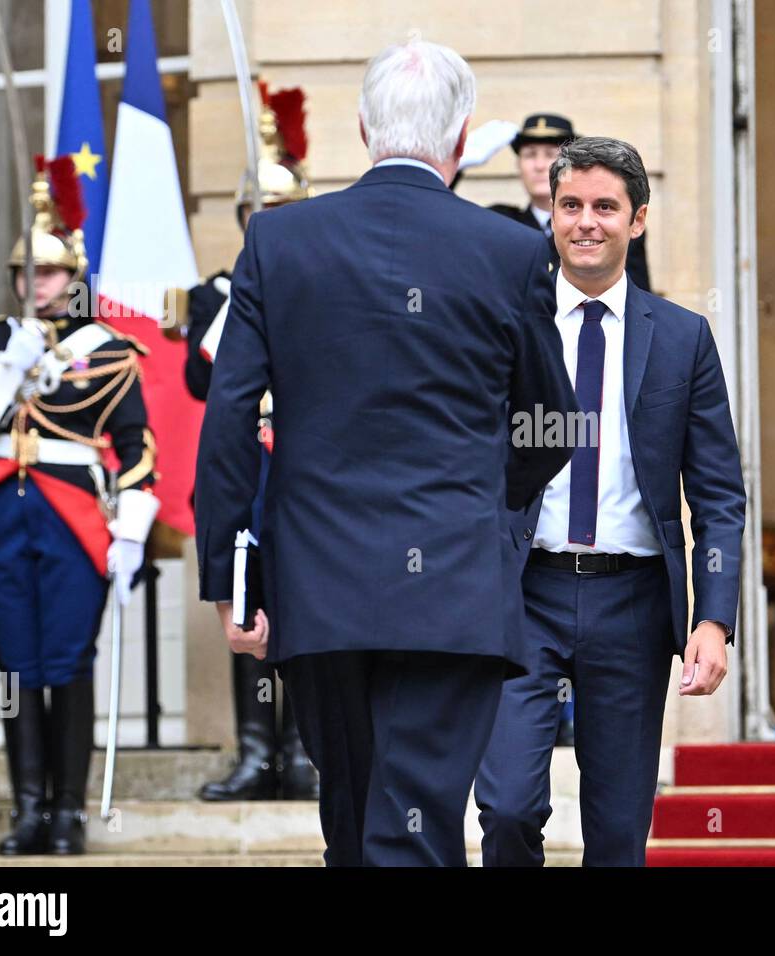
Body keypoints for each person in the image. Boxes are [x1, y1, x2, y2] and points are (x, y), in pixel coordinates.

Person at [193, 39, 578, 866]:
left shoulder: (278, 241)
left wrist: (230, 577)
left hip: (321, 585)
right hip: (453, 585)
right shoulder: (513, 251)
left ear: (365, 129)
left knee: (355, 823)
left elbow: (228, 417)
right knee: (412, 826)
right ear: (460, 133)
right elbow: (551, 421)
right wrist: (487, 501)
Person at [475, 136, 747, 866]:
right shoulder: (507, 329)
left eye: (604, 206)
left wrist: (714, 619)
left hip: (632, 600)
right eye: (570, 205)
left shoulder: (683, 339)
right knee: (504, 807)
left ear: (638, 220)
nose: (585, 221)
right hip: (520, 593)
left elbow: (719, 491)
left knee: (619, 831)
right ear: (552, 217)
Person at [0, 155, 159, 855]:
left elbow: (138, 447)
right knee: (14, 661)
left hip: (72, 515)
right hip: (2, 509)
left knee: (67, 660)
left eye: (51, 273)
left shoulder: (109, 351)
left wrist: (131, 525)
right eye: (26, 274)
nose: (38, 283)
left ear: (74, 278)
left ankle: (67, 811)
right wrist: (8, 365)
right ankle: (26, 809)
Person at [175, 82, 318, 802]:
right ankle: (255, 751)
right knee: (244, 608)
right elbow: (200, 379)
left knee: (303, 606)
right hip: (242, 474)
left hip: (296, 467)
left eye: (281, 213)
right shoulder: (214, 295)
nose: (266, 222)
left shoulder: (320, 288)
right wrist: (243, 293)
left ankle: (301, 752)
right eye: (257, 213)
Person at [490, 113, 651, 292]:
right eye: (530, 155)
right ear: (518, 164)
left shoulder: (618, 225)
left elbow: (639, 298)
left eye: (551, 154)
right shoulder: (501, 221)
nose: (540, 165)